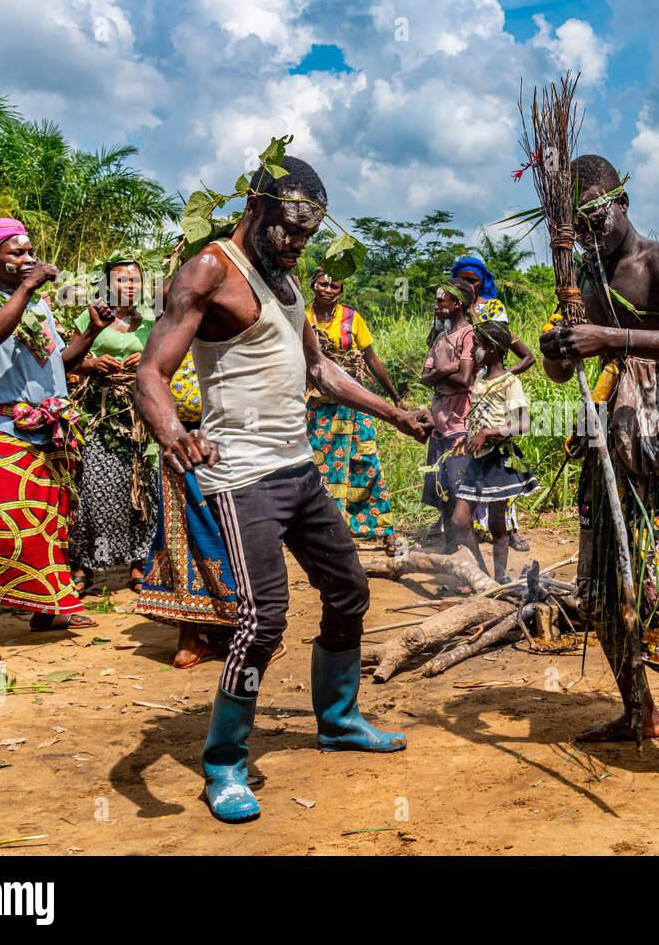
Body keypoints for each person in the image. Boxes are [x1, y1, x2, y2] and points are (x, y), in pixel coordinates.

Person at [134, 156, 432, 823]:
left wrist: (394, 413)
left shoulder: (287, 280)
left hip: (299, 469)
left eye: (308, 234)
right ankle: (224, 761)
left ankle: (339, 717)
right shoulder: (209, 270)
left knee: (349, 589)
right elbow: (150, 373)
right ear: (256, 209)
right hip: (242, 477)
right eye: (289, 231)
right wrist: (171, 435)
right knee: (263, 619)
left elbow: (320, 371)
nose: (299, 245)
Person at [539, 154, 659, 809]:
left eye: (596, 216)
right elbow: (565, 375)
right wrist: (559, 353)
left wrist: (615, 338)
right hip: (608, 452)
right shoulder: (578, 275)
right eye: (575, 225)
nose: (590, 232)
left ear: (621, 199)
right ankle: (637, 709)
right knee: (597, 592)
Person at [0, 218, 116, 660]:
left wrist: (91, 333)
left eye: (30, 252)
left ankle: (47, 608)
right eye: (17, 254)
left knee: (51, 519)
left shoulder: (40, 306)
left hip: (50, 424)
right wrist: (27, 291)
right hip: (2, 424)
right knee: (9, 519)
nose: (28, 260)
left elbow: (57, 365)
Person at [135, 343, 242, 670]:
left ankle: (213, 635)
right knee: (212, 533)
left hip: (212, 440)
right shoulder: (179, 320)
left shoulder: (189, 321)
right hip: (189, 442)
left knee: (199, 532)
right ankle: (201, 637)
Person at [69, 258, 157, 594]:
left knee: (143, 487)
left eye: (136, 279)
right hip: (99, 413)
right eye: (122, 281)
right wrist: (92, 363)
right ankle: (85, 565)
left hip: (140, 416)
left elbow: (168, 360)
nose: (130, 286)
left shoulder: (152, 320)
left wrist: (146, 361)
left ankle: (138, 565)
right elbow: (69, 360)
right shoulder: (90, 318)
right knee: (95, 489)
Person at [306, 270, 402, 553]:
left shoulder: (352, 318)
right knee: (317, 466)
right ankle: (323, 530)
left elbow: (371, 358)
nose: (328, 289)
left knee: (366, 462)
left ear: (341, 291)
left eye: (334, 285)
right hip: (316, 406)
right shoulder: (302, 317)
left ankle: (382, 529)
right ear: (313, 286)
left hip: (352, 405)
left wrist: (395, 398)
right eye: (323, 283)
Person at [448, 256, 535, 552]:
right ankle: (469, 526)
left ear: (482, 281)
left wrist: (503, 377)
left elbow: (501, 342)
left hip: (490, 387)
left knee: (501, 470)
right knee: (469, 458)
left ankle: (510, 530)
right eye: (463, 281)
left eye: (473, 280)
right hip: (467, 387)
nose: (469, 286)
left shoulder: (491, 308)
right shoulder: (451, 308)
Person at [450, 321, 538, 583]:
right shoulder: (479, 378)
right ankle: (482, 573)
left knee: (497, 522)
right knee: (459, 521)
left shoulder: (509, 383)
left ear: (491, 348)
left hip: (499, 460)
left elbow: (522, 424)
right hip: (478, 461)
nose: (473, 348)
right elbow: (477, 417)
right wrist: (466, 439)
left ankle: (499, 577)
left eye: (477, 343)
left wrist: (487, 433)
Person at [420, 276, 477, 552]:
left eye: (441, 300)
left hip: (460, 423)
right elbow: (425, 376)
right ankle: (451, 552)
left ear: (457, 303)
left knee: (458, 494)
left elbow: (466, 378)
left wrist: (440, 374)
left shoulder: (469, 334)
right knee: (442, 493)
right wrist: (444, 372)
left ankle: (470, 558)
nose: (437, 305)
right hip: (439, 424)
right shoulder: (441, 338)